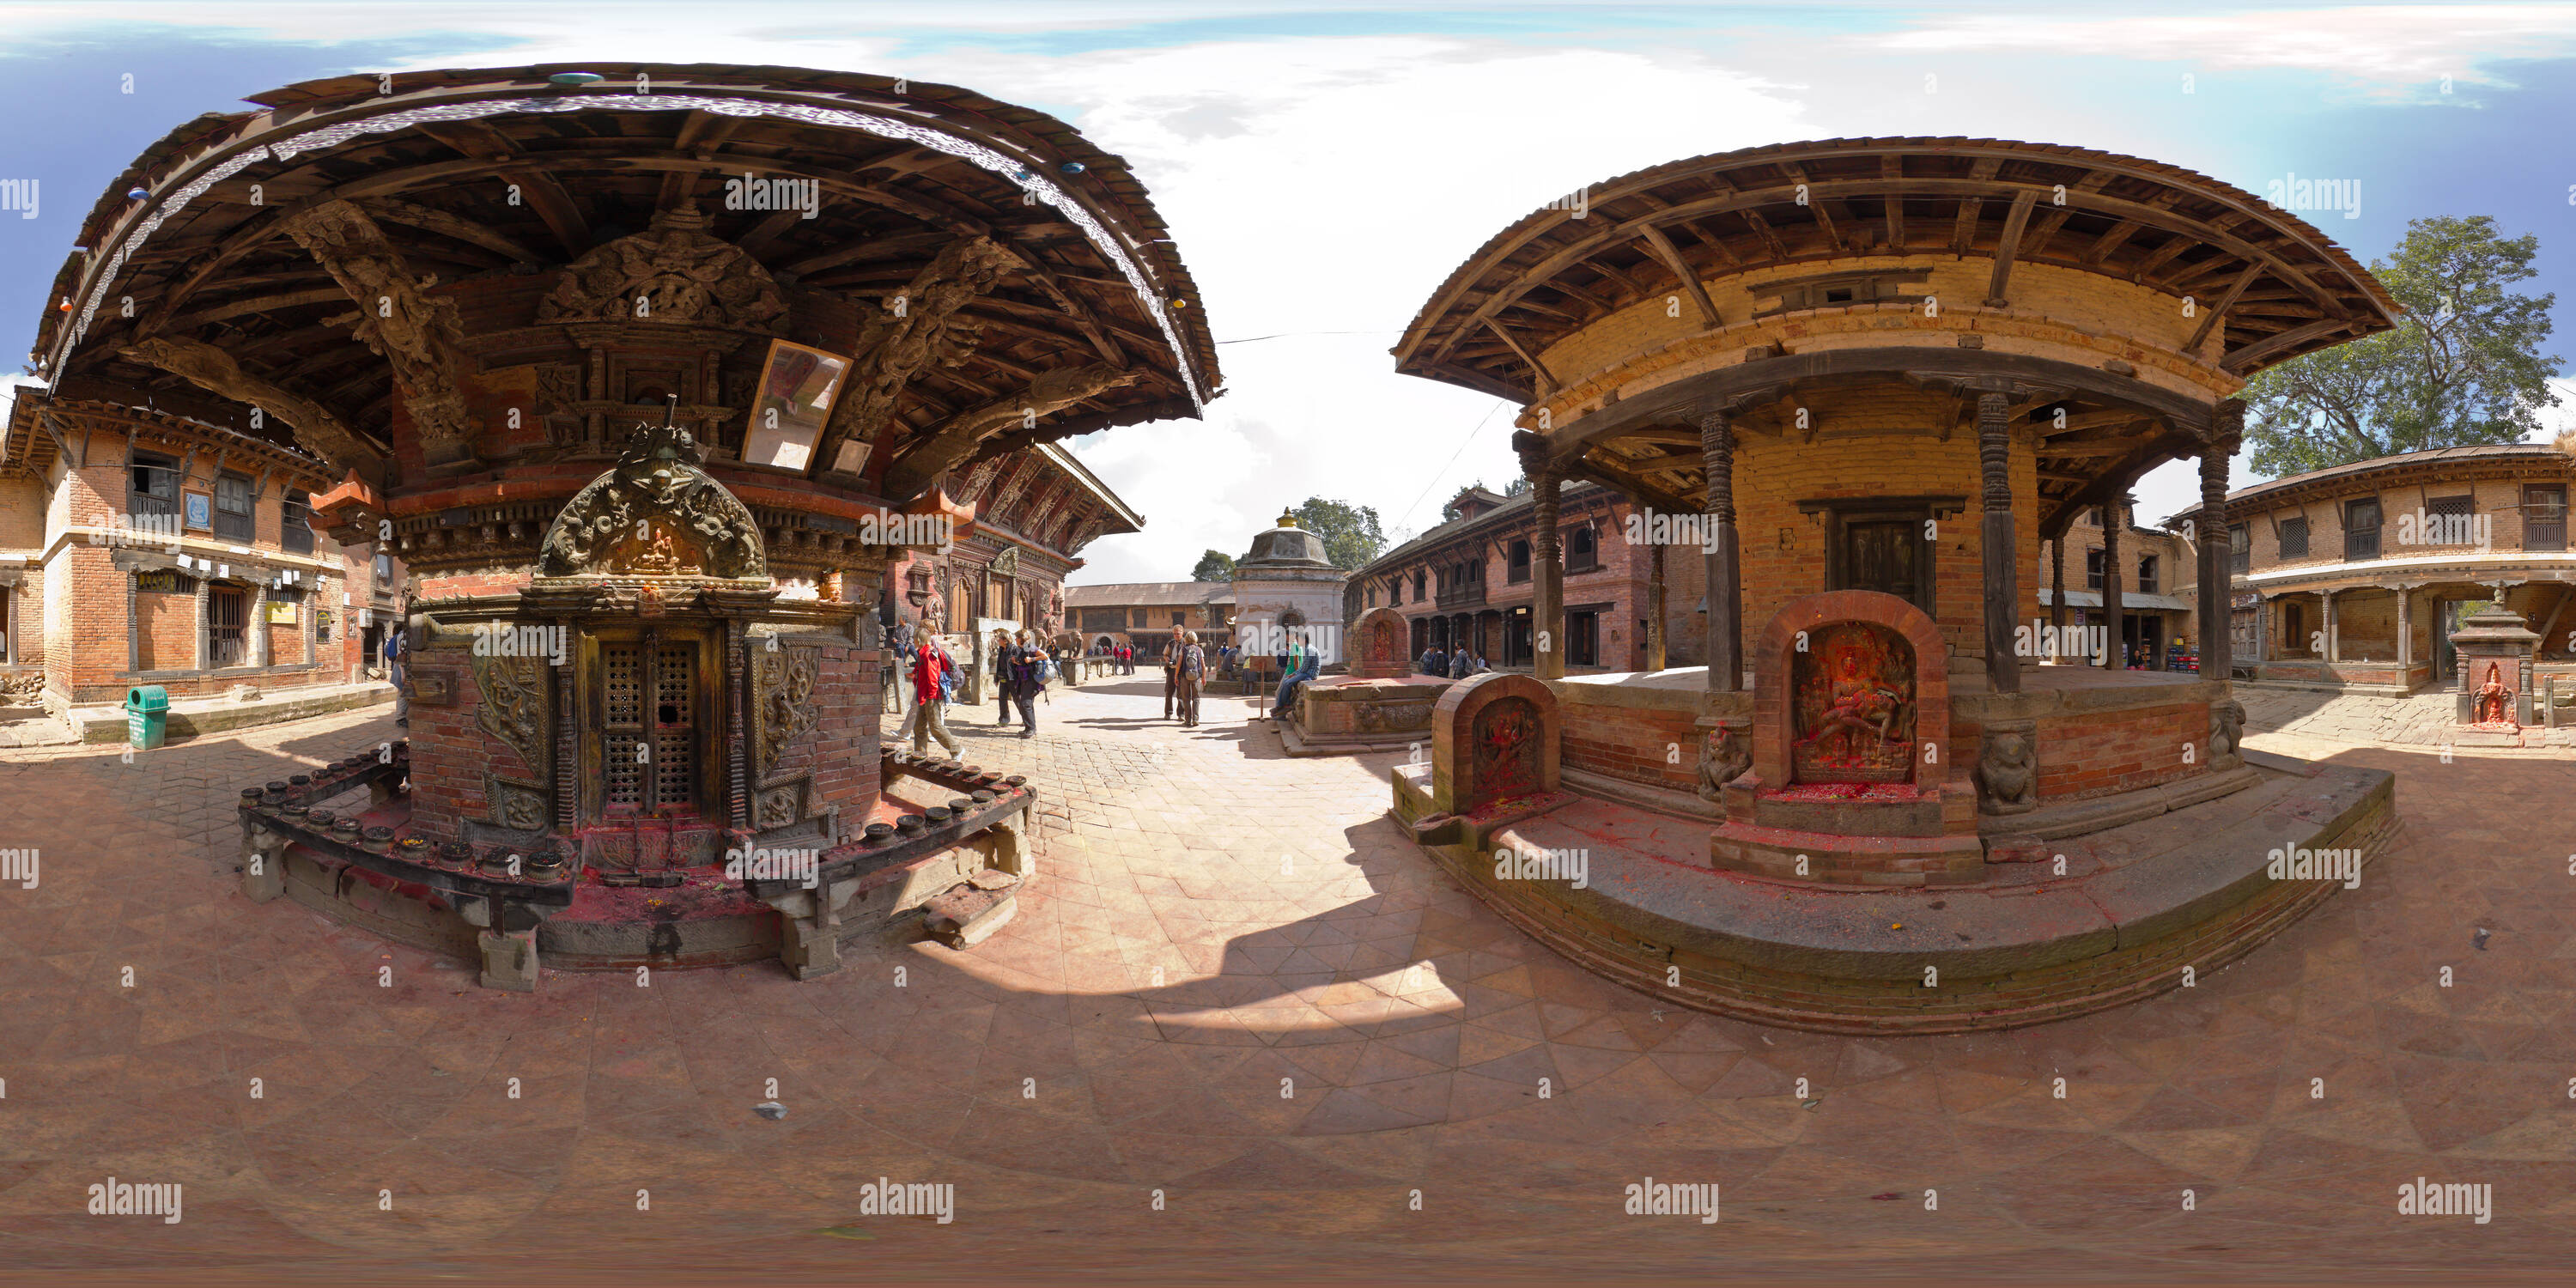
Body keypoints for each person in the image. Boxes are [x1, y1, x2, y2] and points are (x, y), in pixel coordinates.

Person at [900, 635, 960, 756]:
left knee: (936, 726)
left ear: (920, 640)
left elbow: (933, 678)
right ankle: (920, 754)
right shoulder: (922, 654)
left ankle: (956, 749)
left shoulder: (929, 654)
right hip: (923, 695)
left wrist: (932, 696)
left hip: (932, 695)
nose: (913, 642)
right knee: (919, 727)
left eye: (915, 640)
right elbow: (921, 673)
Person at [1005, 629, 1045, 737]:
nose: (1015, 639)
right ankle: (1029, 728)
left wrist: (1032, 659)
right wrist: (1016, 661)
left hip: (1031, 680)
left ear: (1022, 638)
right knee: (1027, 704)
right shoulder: (1023, 649)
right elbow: (1023, 662)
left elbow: (1045, 656)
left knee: (1025, 704)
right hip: (1024, 680)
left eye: (1017, 637)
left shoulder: (1031, 647)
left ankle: (1031, 729)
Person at [1271, 639, 1321, 722]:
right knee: (1287, 682)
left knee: (1287, 683)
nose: (1298, 642)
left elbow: (1303, 667)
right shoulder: (1308, 649)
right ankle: (1283, 705)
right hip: (1306, 673)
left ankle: (1283, 706)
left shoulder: (1309, 650)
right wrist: (1294, 674)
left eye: (1299, 640)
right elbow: (1303, 666)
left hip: (1308, 674)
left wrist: (1295, 674)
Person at [1175, 629, 1208, 727]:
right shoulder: (1199, 650)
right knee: (1196, 698)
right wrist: (1204, 677)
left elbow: (1179, 664)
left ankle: (1188, 721)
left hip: (1184, 676)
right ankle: (1196, 719)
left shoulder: (1183, 649)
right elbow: (1203, 665)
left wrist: (1176, 676)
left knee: (1186, 698)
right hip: (1196, 676)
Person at [386, 611, 409, 727]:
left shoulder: (404, 635)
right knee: (402, 692)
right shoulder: (402, 636)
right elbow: (401, 654)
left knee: (404, 692)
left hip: (402, 667)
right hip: (401, 667)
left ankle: (404, 716)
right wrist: (403, 672)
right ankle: (400, 718)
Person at [1161, 624, 1188, 719]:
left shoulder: (1186, 643)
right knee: (1168, 692)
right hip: (1171, 670)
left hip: (1181, 671)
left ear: (1182, 633)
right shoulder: (1171, 643)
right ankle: (1168, 713)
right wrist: (1167, 659)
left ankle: (1181, 714)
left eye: (1178, 633)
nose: (1176, 635)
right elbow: (1165, 654)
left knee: (1181, 694)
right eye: (1174, 634)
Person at [989, 628, 1014, 726]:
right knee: (1002, 699)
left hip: (1012, 679)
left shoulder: (1013, 649)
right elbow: (998, 665)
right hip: (1003, 678)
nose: (998, 641)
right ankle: (1004, 720)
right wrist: (996, 679)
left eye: (999, 639)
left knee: (1017, 700)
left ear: (1005, 640)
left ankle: (1026, 719)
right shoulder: (1001, 650)